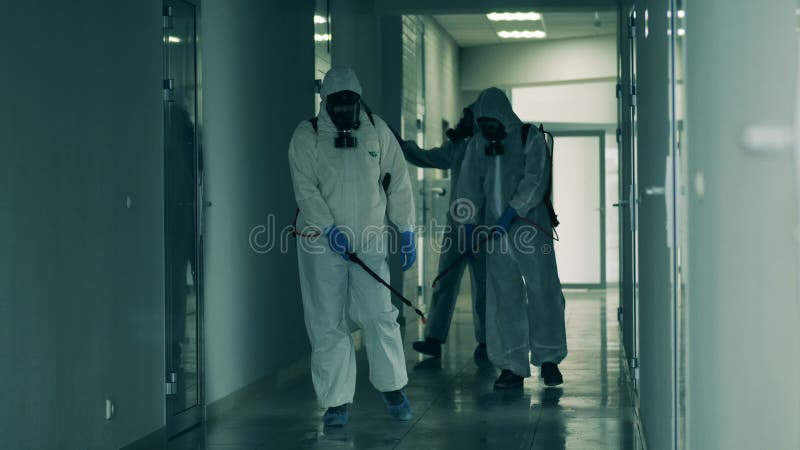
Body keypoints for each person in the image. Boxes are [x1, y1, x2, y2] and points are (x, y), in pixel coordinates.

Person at [288, 67, 417, 427]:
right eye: (336, 102)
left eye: (350, 102)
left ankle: (393, 389)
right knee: (327, 321)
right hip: (320, 241)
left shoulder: (377, 131)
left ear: (359, 100)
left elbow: (398, 180)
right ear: (325, 102)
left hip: (370, 240)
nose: (344, 108)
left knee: (379, 314)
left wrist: (405, 228)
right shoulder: (308, 134)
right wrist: (329, 229)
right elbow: (305, 187)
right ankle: (336, 404)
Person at [456, 87, 567, 389]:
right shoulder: (478, 145)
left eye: (492, 125)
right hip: (494, 233)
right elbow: (467, 187)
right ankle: (511, 365)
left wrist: (512, 212)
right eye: (483, 125)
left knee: (543, 291)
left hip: (530, 229)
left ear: (503, 117)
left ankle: (549, 359)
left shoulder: (528, 137)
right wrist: (467, 225)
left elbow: (535, 179)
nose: (488, 131)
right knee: (503, 298)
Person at [390, 107, 488, 362]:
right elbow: (426, 157)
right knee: (445, 281)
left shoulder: (488, 148)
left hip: (482, 230)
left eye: (469, 118)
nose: (463, 121)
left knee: (483, 286)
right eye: (464, 117)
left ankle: (486, 342)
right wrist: (401, 145)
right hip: (457, 227)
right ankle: (434, 339)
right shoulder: (457, 148)